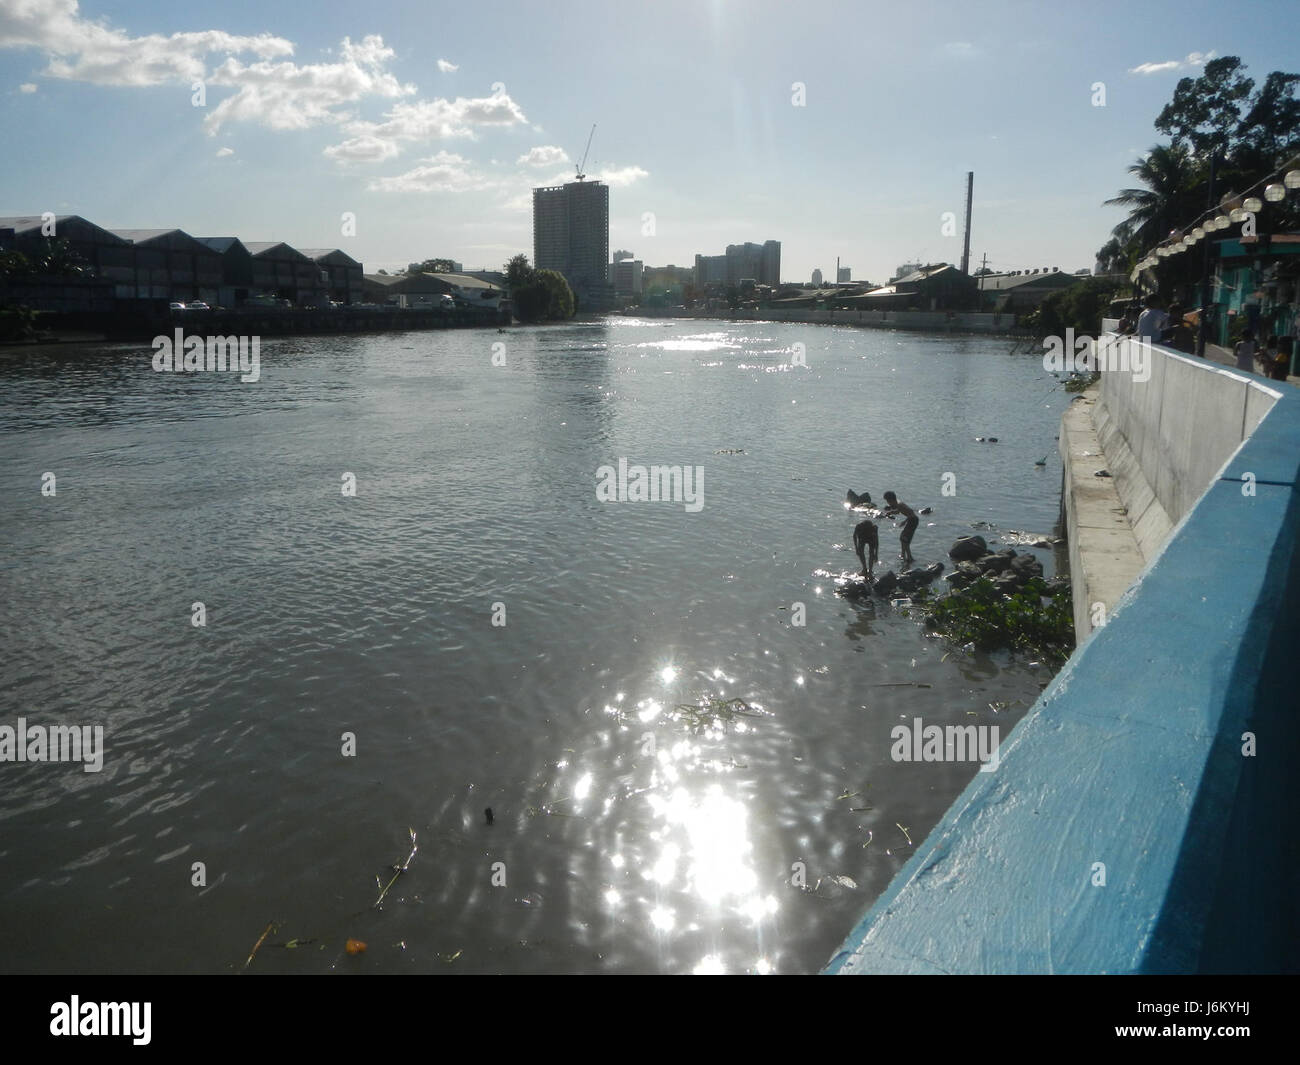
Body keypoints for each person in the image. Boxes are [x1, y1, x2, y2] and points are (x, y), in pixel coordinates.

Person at [882, 491, 919, 565]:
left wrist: (905, 521)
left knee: (905, 539)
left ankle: (909, 558)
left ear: (891, 500)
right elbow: (899, 511)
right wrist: (891, 512)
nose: (888, 504)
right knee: (902, 538)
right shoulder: (898, 503)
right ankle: (903, 555)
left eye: (888, 501)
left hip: (913, 520)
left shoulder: (899, 504)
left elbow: (911, 513)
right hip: (911, 520)